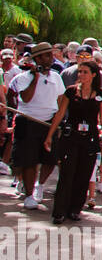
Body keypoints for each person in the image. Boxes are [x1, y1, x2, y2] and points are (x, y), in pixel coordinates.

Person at [43, 58, 102, 223]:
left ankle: (75, 209)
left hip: (90, 138)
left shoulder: (100, 95)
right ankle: (59, 211)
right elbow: (60, 114)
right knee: (67, 173)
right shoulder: (71, 92)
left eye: (85, 72)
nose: (81, 74)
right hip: (71, 137)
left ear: (94, 75)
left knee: (84, 174)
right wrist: (50, 135)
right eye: (79, 71)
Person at [10, 42, 65, 210]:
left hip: (48, 123)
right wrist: (35, 78)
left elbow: (61, 101)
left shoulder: (56, 76)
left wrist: (57, 122)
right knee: (29, 161)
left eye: (51, 54)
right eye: (47, 55)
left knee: (50, 159)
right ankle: (28, 194)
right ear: (38, 58)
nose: (51, 58)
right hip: (28, 121)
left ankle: (39, 185)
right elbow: (25, 98)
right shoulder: (24, 77)